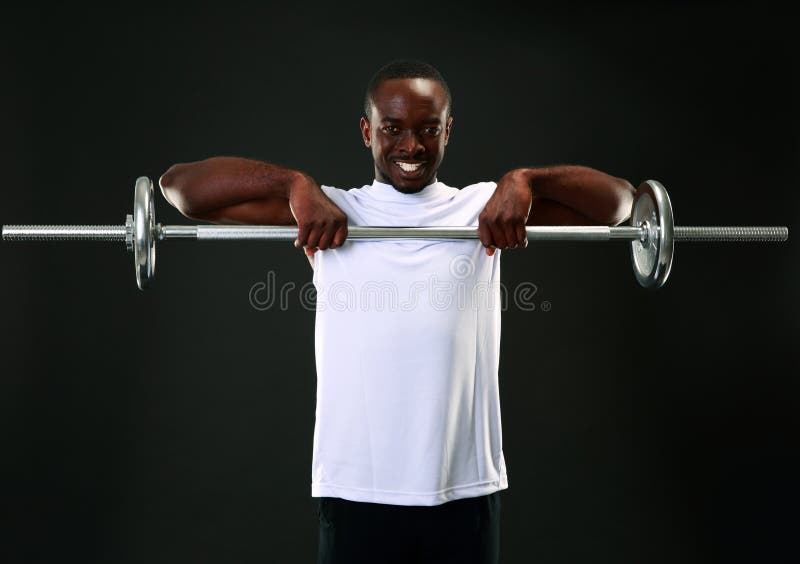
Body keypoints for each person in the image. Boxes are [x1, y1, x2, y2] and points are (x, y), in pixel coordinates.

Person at [159, 59, 635, 564]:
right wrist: (294, 184)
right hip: (355, 491)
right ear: (368, 132)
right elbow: (180, 190)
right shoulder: (330, 214)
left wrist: (525, 181)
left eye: (429, 129)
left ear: (448, 131)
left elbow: (620, 205)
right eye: (393, 129)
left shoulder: (484, 211)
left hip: (463, 492)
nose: (412, 147)